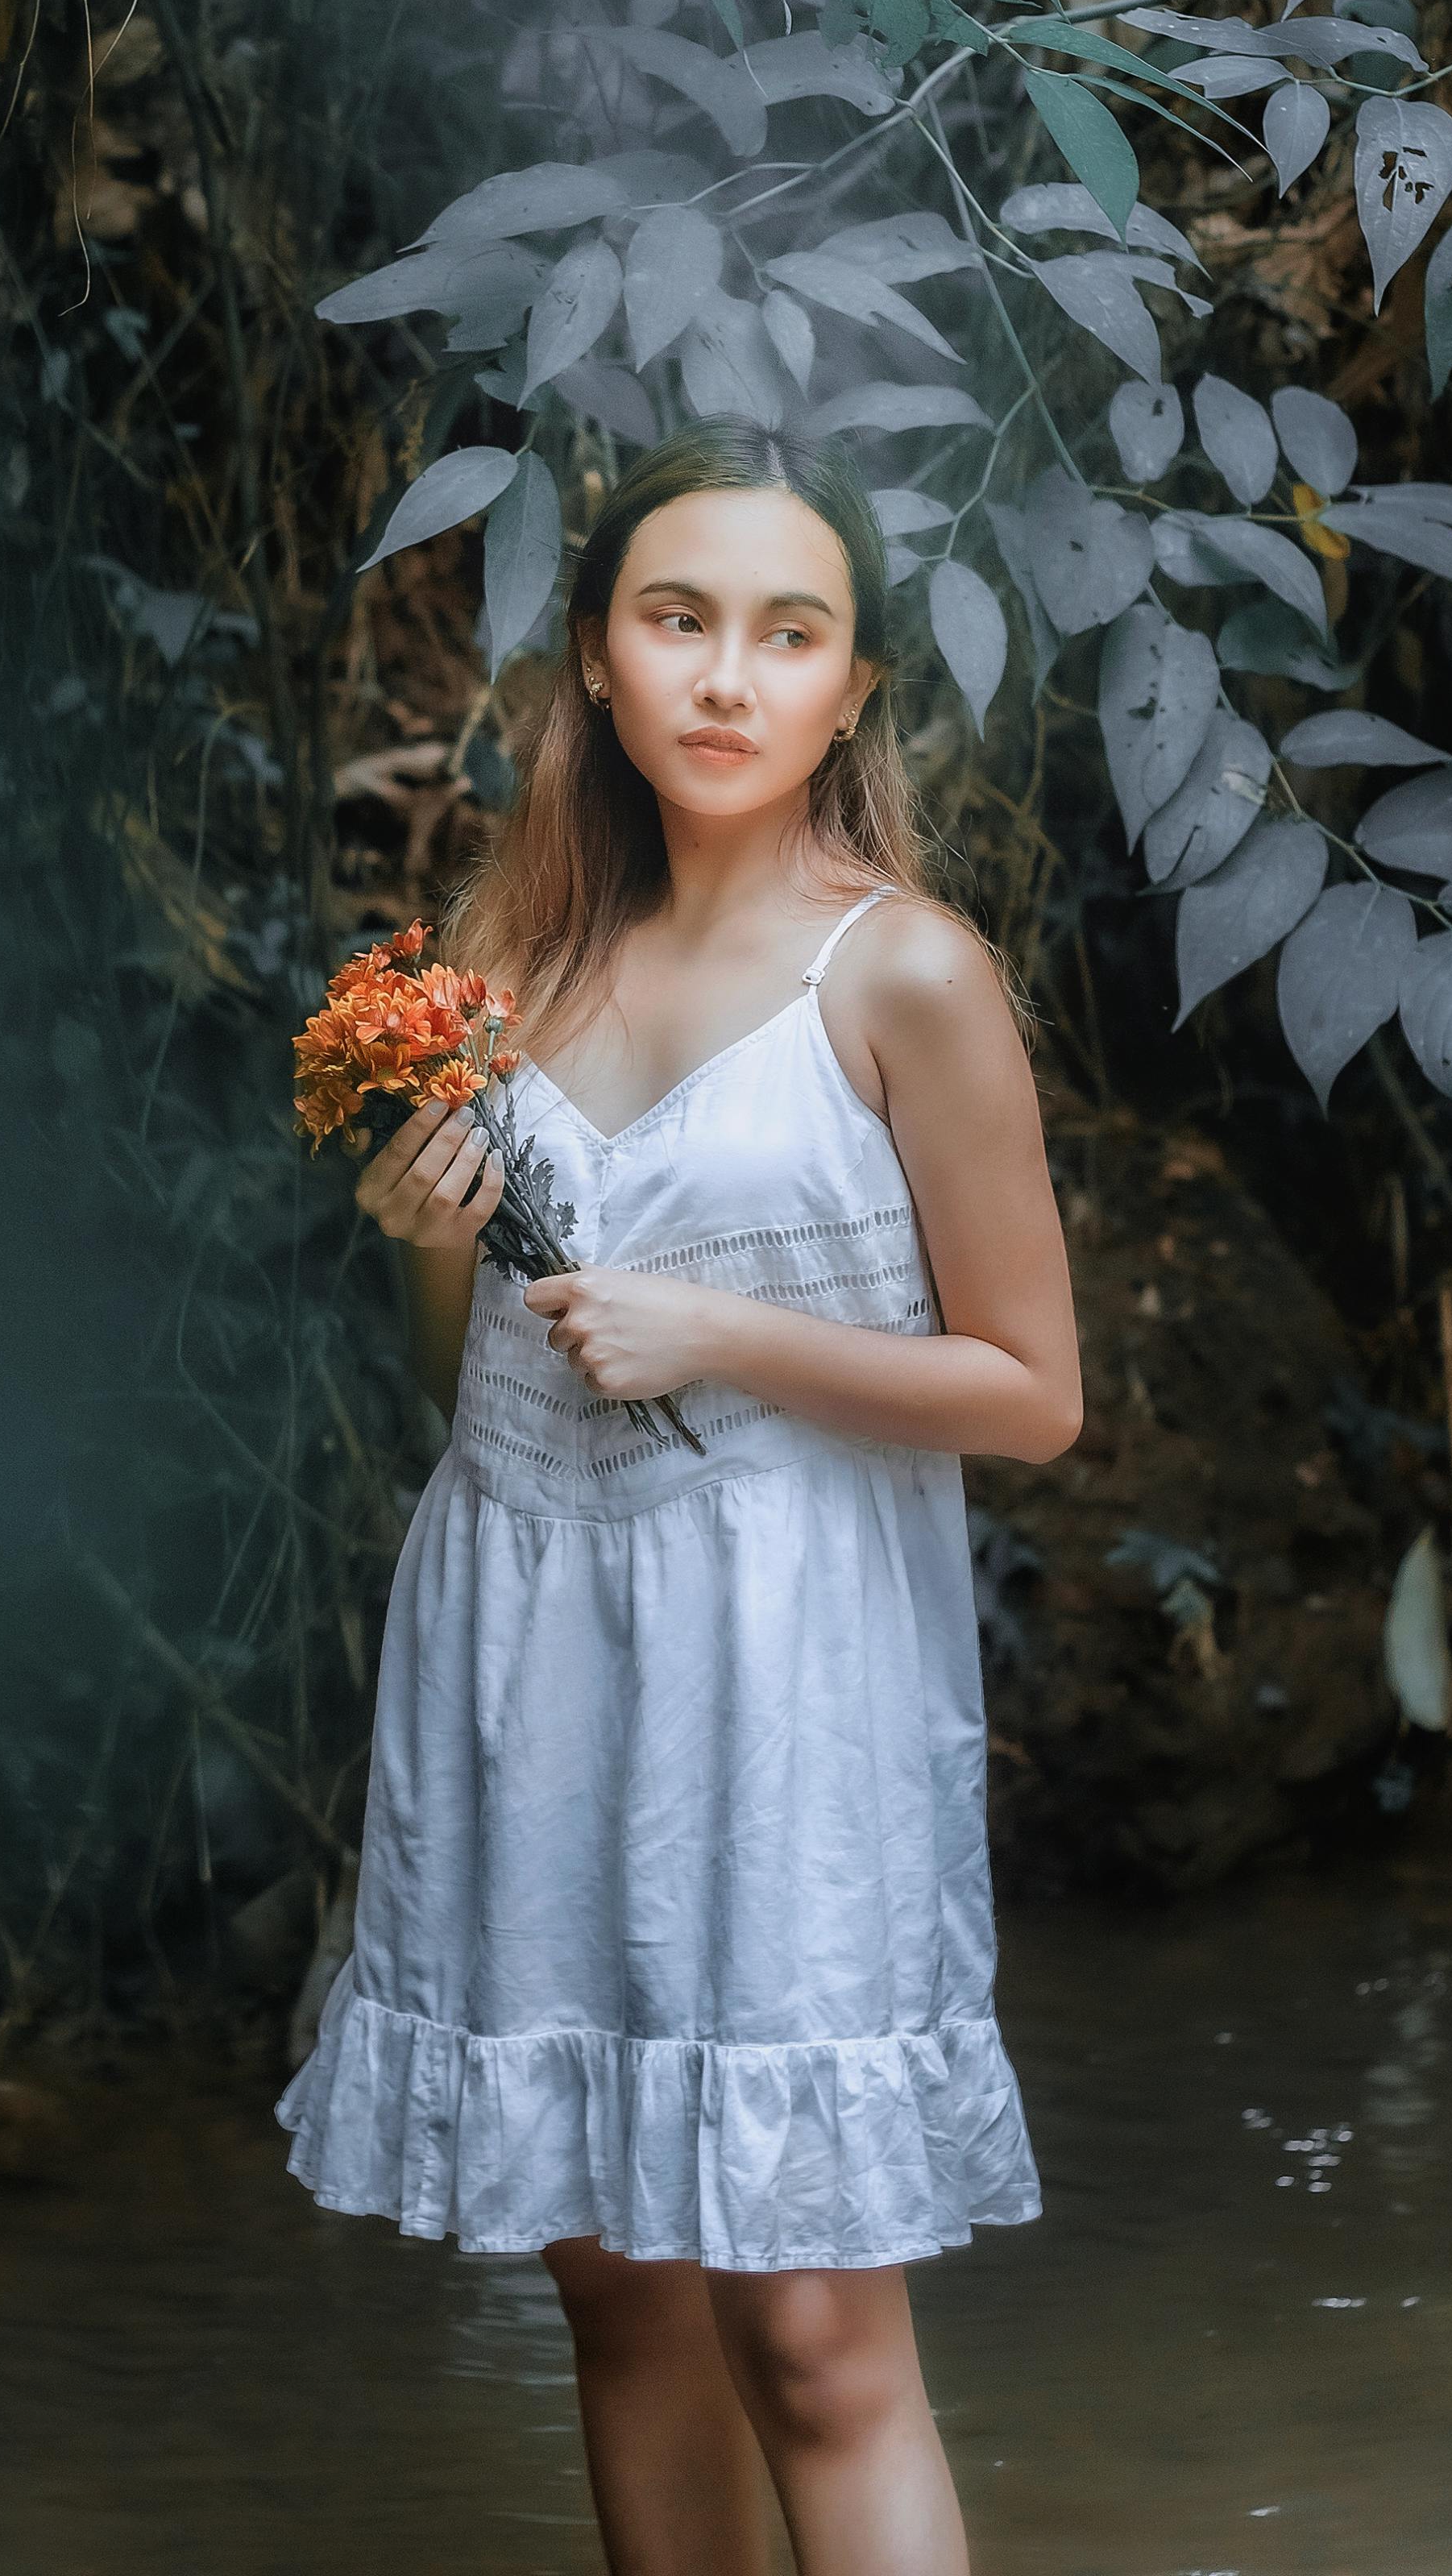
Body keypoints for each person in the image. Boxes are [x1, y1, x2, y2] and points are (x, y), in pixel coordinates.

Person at [280, 421, 1083, 2576]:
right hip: (531, 1638)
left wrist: (723, 1332)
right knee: (613, 2282)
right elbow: (475, 1394)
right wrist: (424, 1241)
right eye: (678, 621)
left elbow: (1033, 1395)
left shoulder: (901, 972)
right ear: (598, 670)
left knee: (813, 2328)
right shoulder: (507, 965)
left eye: (786, 633)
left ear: (853, 689)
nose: (729, 677)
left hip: (788, 1661)